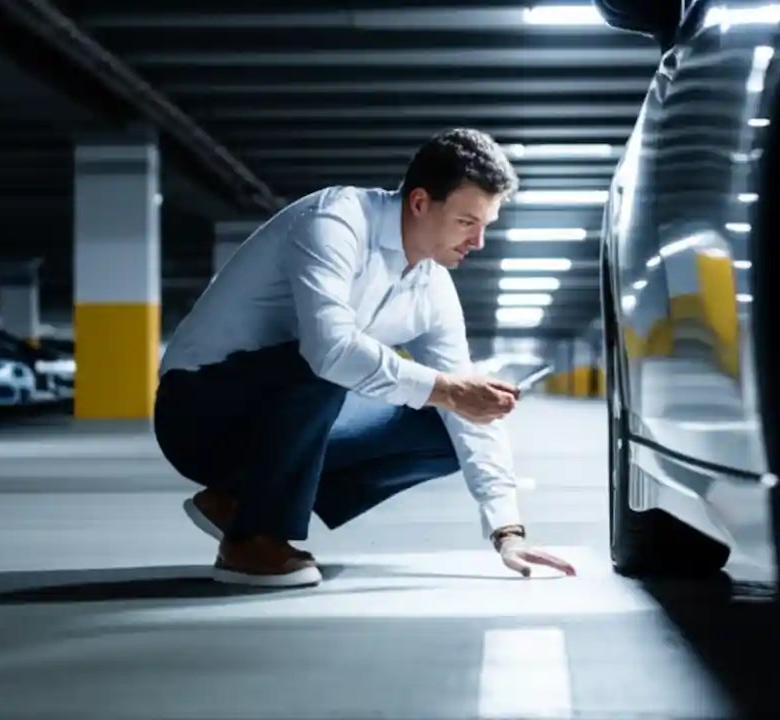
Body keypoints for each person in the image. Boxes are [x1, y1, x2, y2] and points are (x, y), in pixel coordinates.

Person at [154, 128, 577, 587]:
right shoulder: (335, 221)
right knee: (334, 360)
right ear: (420, 202)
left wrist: (507, 531)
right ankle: (252, 540)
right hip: (197, 410)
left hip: (281, 414)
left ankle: (238, 503)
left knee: (447, 422)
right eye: (466, 222)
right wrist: (448, 390)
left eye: (485, 226)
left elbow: (466, 406)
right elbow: (330, 350)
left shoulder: (432, 288)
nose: (478, 242)